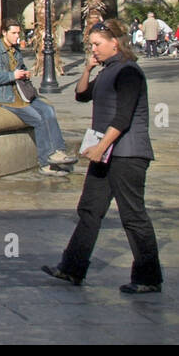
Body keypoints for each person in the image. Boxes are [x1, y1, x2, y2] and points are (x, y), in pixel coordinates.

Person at [43, 19, 163, 294]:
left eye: (97, 44)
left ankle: (148, 277)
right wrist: (87, 69)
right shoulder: (108, 70)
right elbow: (82, 95)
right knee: (90, 210)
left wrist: (100, 147)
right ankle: (72, 269)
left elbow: (123, 117)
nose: (93, 49)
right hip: (107, 152)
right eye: (91, 46)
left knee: (133, 215)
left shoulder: (129, 72)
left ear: (115, 42)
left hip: (128, 154)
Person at [0, 20, 76, 176]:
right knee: (38, 119)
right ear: (4, 32)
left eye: (18, 33)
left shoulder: (16, 50)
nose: (17, 36)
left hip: (23, 94)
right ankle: (45, 162)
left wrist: (25, 73)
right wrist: (12, 75)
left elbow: (21, 68)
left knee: (48, 110)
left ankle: (58, 152)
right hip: (7, 98)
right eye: (13, 33)